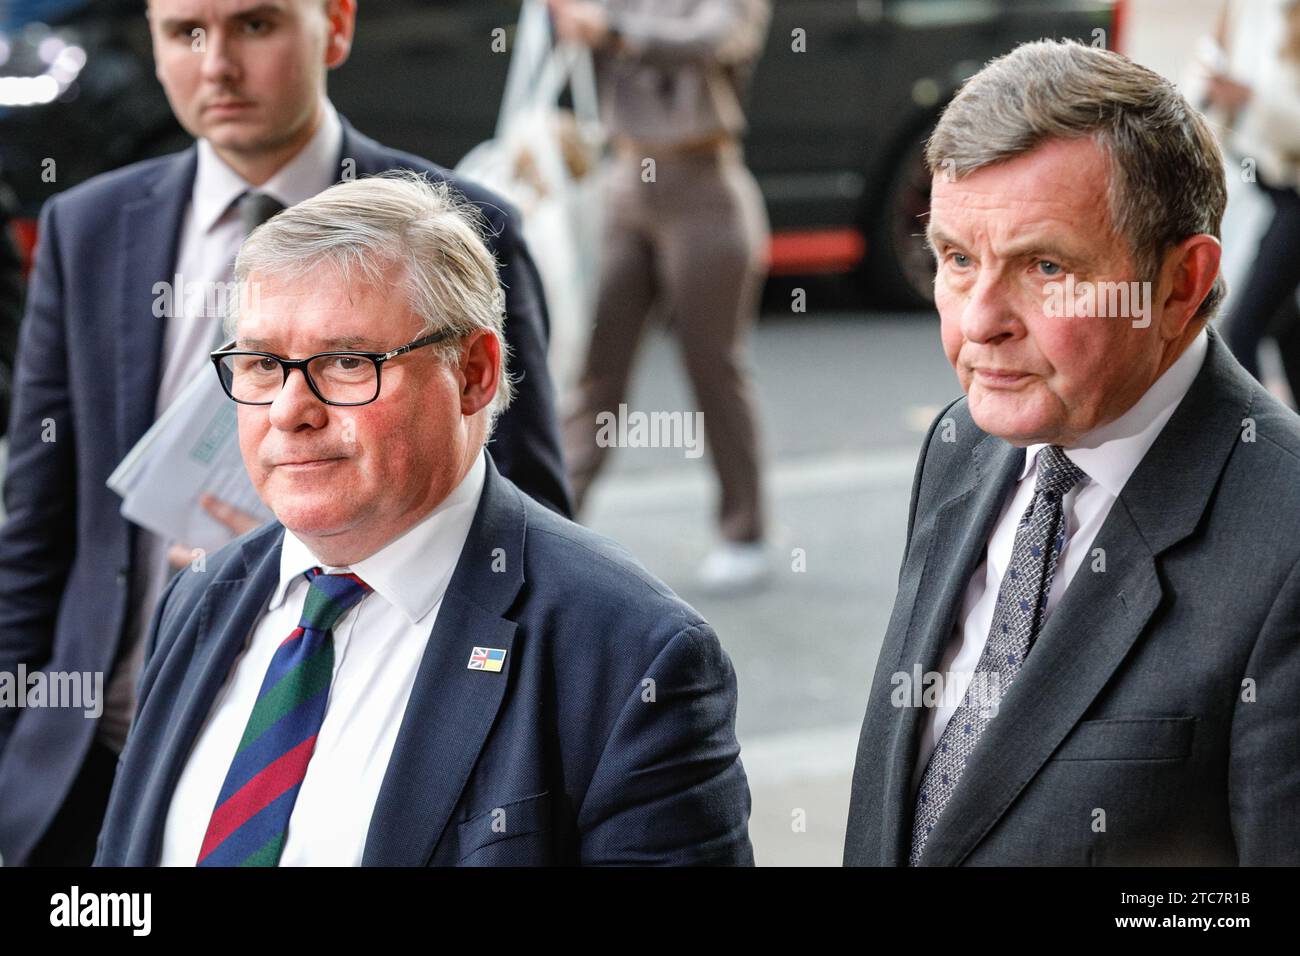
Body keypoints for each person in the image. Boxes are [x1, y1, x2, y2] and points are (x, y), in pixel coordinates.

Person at [0, 0, 569, 868]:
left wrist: (323, 537)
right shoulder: (90, 228)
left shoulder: (461, 229)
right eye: (185, 32)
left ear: (334, 27)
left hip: (354, 748)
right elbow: (35, 527)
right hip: (95, 759)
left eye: (255, 26)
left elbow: (522, 528)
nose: (217, 63)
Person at [93, 173, 752, 866]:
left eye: (347, 362)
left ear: (474, 373)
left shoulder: (630, 655)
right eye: (262, 364)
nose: (290, 410)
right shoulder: (201, 597)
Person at [844, 40, 1300, 866]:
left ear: (1181, 285)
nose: (980, 321)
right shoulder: (961, 443)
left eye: (1045, 267)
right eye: (956, 260)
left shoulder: (1286, 535)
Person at [548, 0, 774, 591]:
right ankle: (552, 524)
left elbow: (711, 38)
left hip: (704, 185)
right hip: (624, 182)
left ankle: (743, 529)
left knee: (712, 365)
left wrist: (612, 28)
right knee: (597, 368)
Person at [1210, 0, 1300, 403]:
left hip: (1294, 200)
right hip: (1275, 194)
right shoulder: (1256, 24)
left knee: (1244, 328)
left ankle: (1255, 440)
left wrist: (1251, 98)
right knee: (1284, 328)